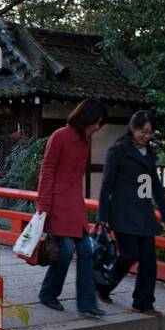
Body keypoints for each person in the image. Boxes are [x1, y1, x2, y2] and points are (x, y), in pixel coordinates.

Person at [36, 99, 108, 317]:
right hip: (57, 204)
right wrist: (43, 205)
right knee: (65, 251)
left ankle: (87, 303)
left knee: (86, 250)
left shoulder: (86, 141)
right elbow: (47, 171)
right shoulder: (60, 136)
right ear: (86, 117)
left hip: (75, 204)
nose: (97, 127)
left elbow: (77, 178)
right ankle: (48, 293)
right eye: (96, 122)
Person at [96, 110, 165, 315]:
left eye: (149, 132)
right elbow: (106, 185)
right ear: (132, 128)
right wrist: (102, 216)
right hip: (122, 212)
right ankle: (104, 285)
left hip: (144, 214)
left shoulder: (149, 155)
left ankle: (143, 303)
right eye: (142, 131)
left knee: (149, 261)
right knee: (129, 255)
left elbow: (154, 186)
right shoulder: (119, 151)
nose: (146, 136)